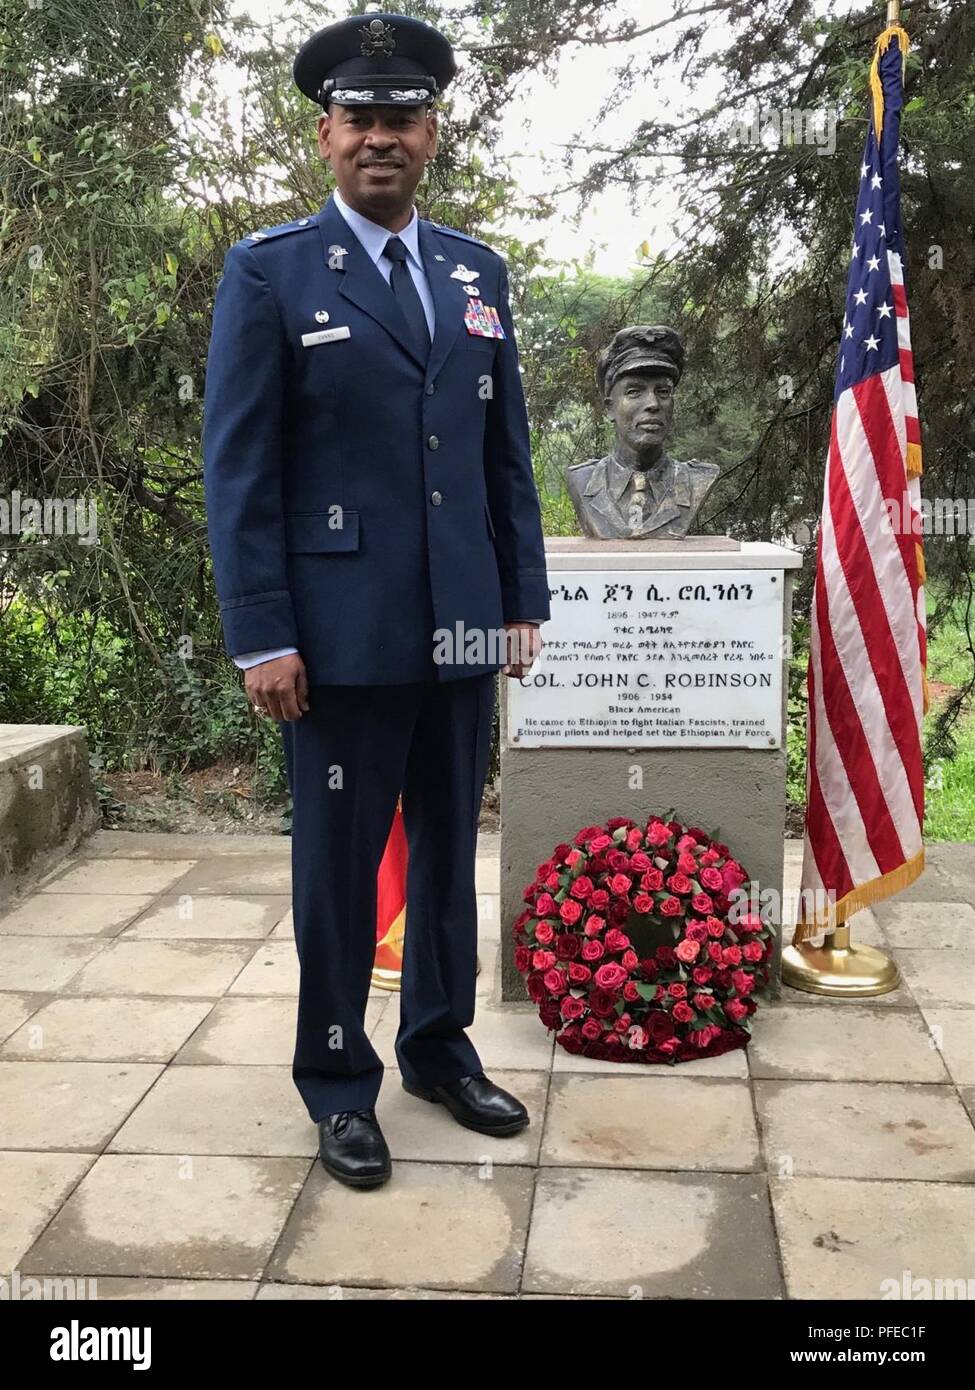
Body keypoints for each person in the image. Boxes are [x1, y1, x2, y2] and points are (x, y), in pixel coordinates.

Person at [202, 12, 551, 1189]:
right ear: (326, 137)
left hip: (459, 627)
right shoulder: (272, 271)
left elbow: (507, 457)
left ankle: (439, 1049)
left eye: (402, 117)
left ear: (433, 133)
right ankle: (340, 1079)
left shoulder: (476, 274)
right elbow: (239, 468)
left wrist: (521, 601)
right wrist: (263, 632)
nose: (381, 138)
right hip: (336, 643)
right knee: (342, 873)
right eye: (361, 119)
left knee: (451, 855)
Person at [566, 326, 720, 538]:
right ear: (610, 408)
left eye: (663, 391)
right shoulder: (582, 479)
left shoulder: (698, 478)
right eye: (634, 392)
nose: (653, 404)